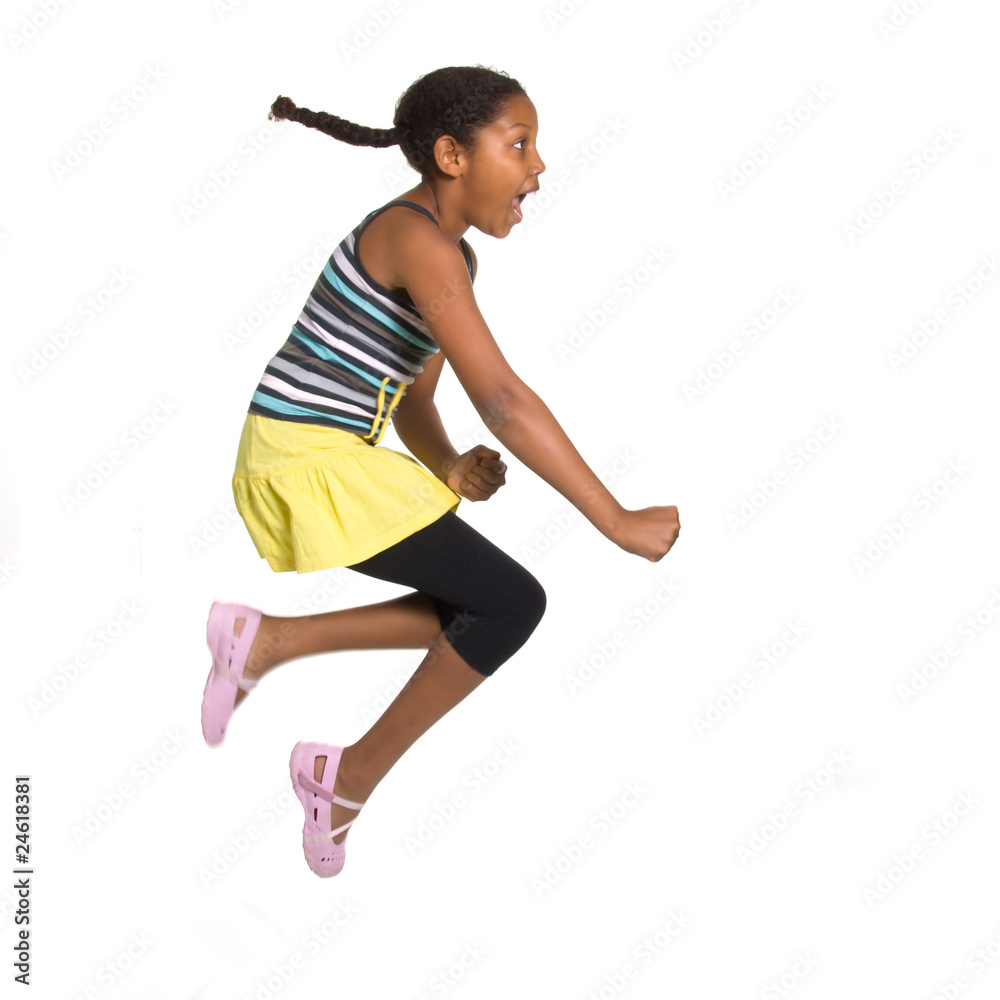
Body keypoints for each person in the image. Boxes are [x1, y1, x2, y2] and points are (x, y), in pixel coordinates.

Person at [201, 65, 680, 878]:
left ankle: (268, 643)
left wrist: (446, 461)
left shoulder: (448, 253)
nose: (538, 165)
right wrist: (615, 518)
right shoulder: (413, 237)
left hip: (320, 453)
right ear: (453, 156)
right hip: (301, 458)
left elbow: (415, 390)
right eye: (519, 143)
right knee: (510, 604)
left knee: (485, 608)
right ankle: (340, 776)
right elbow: (499, 395)